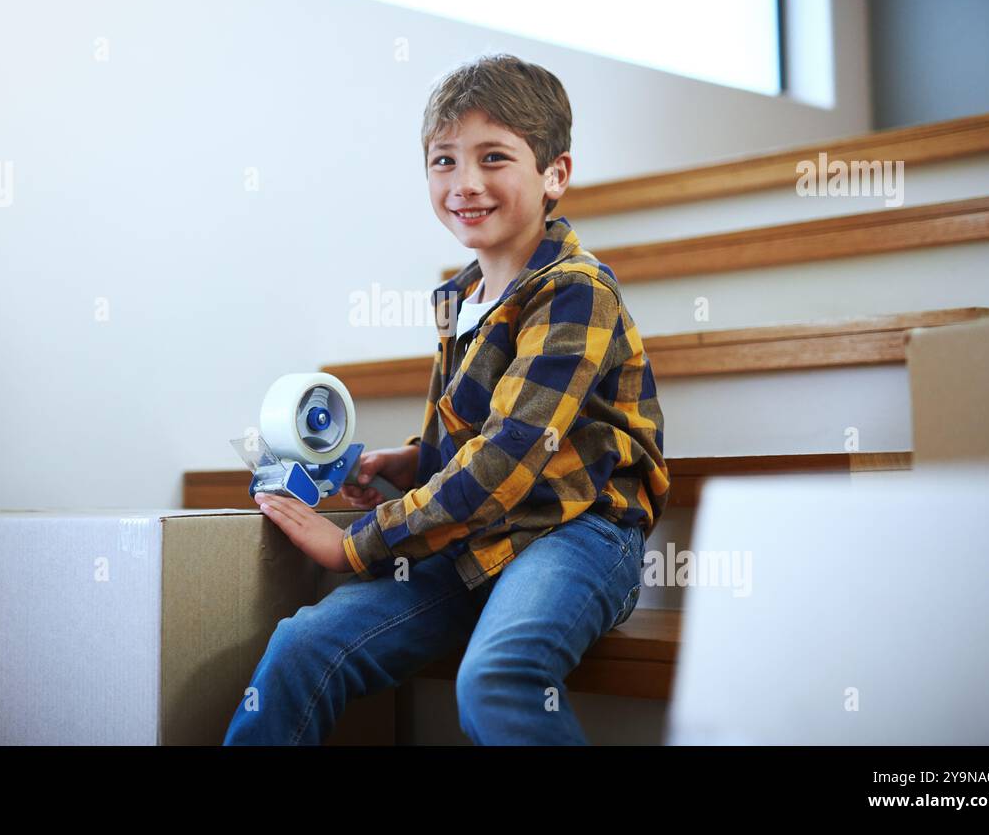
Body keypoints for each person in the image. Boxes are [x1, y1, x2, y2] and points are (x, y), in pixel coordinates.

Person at [223, 53, 670, 745]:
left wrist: (356, 548)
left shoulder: (575, 291)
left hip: (575, 534)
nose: (465, 183)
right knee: (301, 646)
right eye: (443, 161)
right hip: (477, 535)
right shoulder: (460, 298)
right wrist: (412, 460)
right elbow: (466, 437)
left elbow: (505, 457)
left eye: (494, 158)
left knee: (498, 678)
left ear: (556, 174)